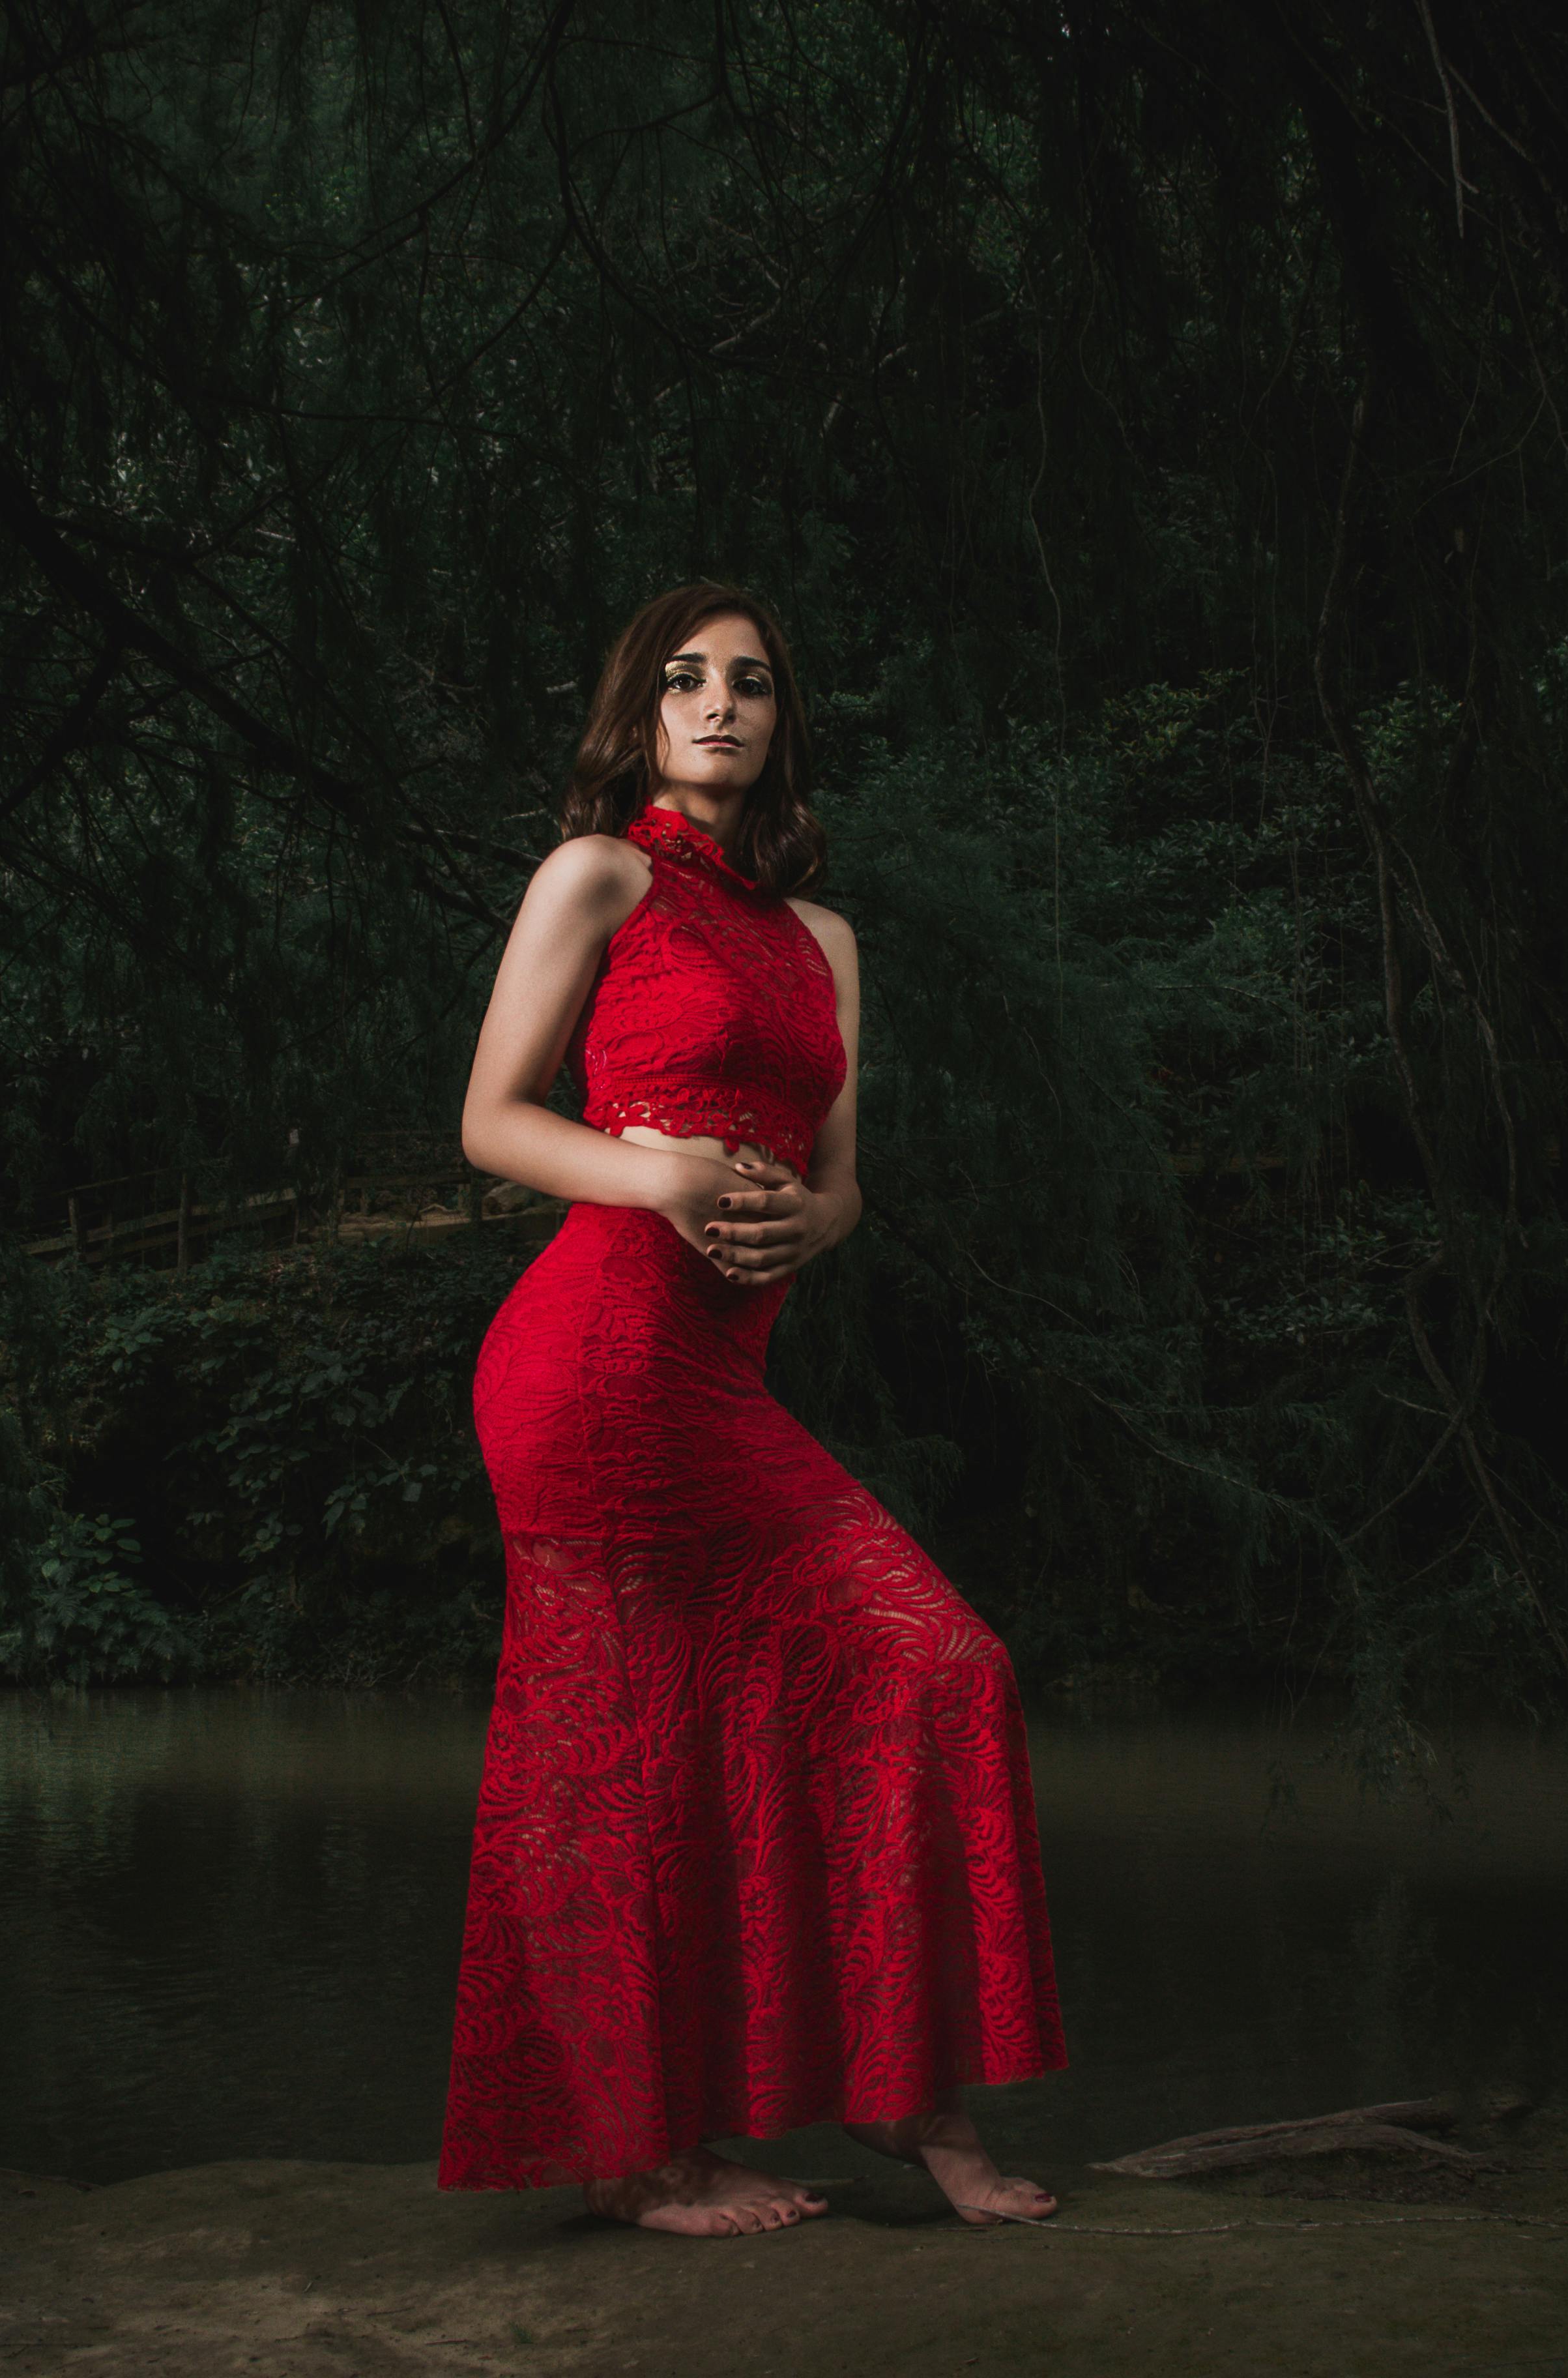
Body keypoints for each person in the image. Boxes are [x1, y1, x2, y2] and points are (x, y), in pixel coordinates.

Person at [439, 584, 1069, 2237]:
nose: (722, 706)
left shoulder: (823, 943)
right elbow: (494, 1122)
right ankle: (656, 2153)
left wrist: (809, 1219)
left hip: (720, 1372)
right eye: (686, 680)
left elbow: (846, 1182)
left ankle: (897, 2083)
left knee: (936, 1662)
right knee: (631, 1754)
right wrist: (662, 1175)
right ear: (638, 712)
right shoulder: (600, 876)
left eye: (755, 685)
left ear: (785, 723)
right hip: (591, 1360)